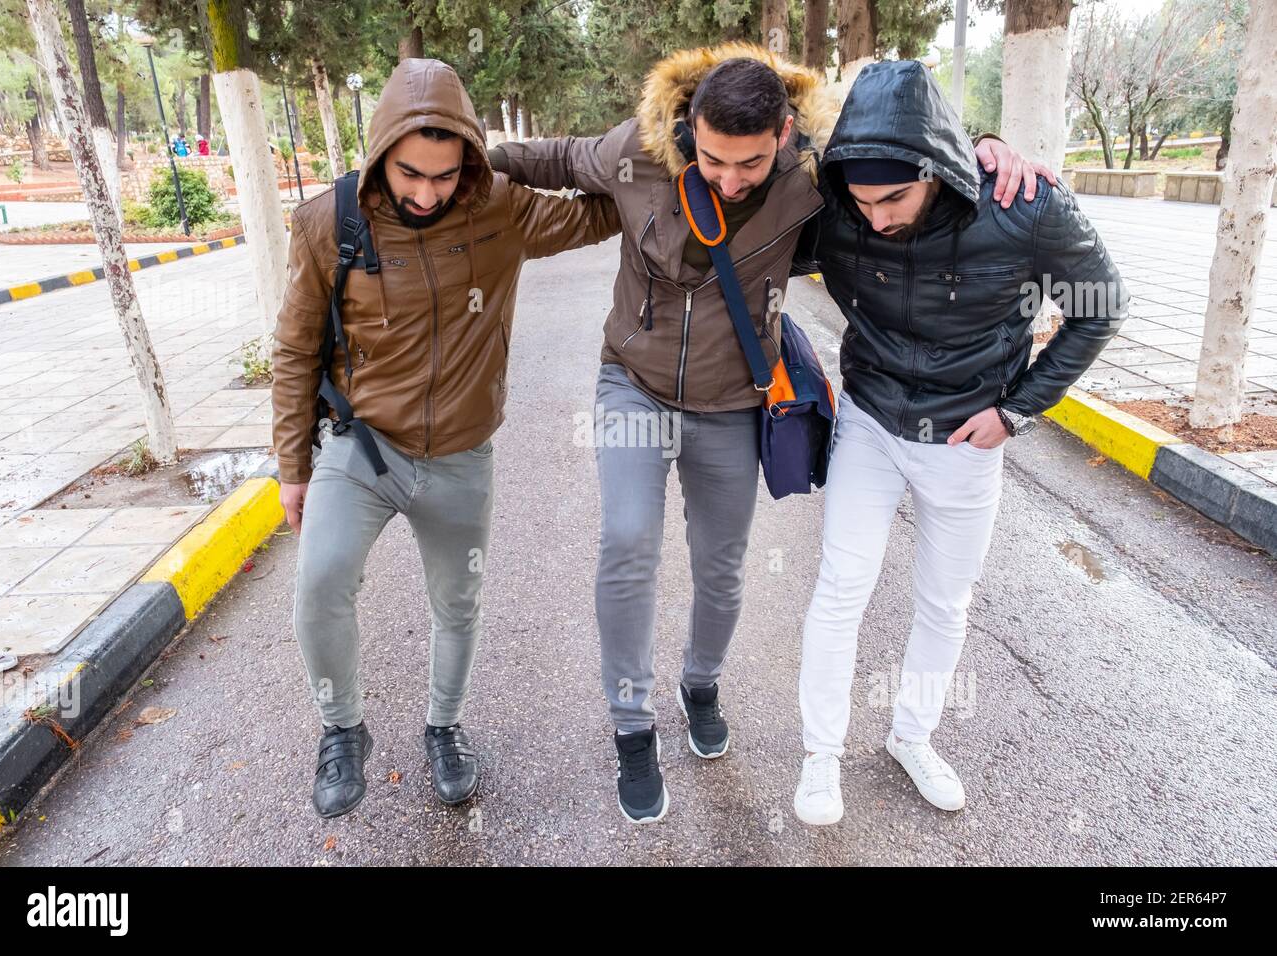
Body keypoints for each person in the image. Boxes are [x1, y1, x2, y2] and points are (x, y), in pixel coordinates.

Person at [489, 42, 1046, 824]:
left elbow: (907, 146)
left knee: (722, 564)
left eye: (747, 163)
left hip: (730, 396)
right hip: (633, 381)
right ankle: (632, 726)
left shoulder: (811, 178)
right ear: (690, 131)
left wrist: (983, 145)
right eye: (713, 159)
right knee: (626, 541)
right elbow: (553, 157)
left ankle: (701, 683)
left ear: (783, 134)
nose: (727, 178)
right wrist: (458, 156)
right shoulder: (639, 151)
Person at [271, 58, 620, 819]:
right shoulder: (330, 222)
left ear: (468, 154)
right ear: (380, 153)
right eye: (409, 174)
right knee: (320, 587)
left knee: (457, 601)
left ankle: (444, 728)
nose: (426, 193)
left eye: (444, 173)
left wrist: (651, 159)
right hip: (360, 453)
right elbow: (296, 351)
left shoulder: (497, 206)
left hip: (461, 458)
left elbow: (603, 210)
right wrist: (291, 468)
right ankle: (341, 730)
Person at [791, 61, 1127, 825]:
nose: (874, 218)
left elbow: (1101, 307)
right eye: (862, 200)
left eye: (895, 198)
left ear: (938, 172)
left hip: (969, 440)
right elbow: (751, 212)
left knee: (945, 601)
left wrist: (1017, 412)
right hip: (871, 421)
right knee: (841, 588)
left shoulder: (1025, 204)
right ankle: (821, 755)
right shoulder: (834, 204)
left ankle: (913, 737)